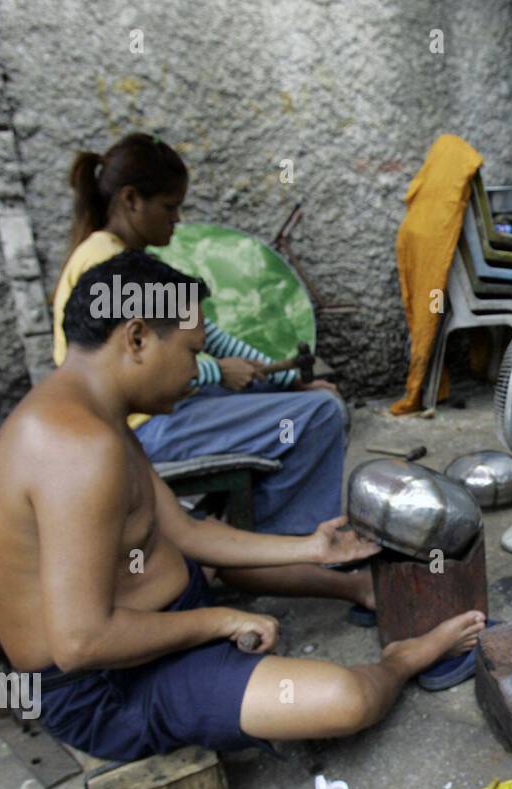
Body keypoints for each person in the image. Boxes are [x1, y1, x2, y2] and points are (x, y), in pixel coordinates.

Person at [0, 250, 485, 761]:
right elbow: (80, 643)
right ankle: (402, 659)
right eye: (192, 351)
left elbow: (186, 533)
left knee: (236, 565)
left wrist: (310, 547)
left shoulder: (92, 411)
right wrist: (219, 622)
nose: (196, 372)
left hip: (155, 625)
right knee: (345, 701)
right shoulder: (76, 447)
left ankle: (359, 591)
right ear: (136, 338)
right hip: (109, 687)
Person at [52, 133, 372, 622]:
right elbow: (137, 362)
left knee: (311, 400)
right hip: (147, 429)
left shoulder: (134, 261)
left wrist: (283, 380)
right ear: (130, 200)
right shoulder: (105, 263)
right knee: (321, 415)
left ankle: (273, 547)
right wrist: (217, 371)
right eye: (169, 207)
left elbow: (208, 338)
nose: (177, 220)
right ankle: (296, 551)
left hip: (150, 423)